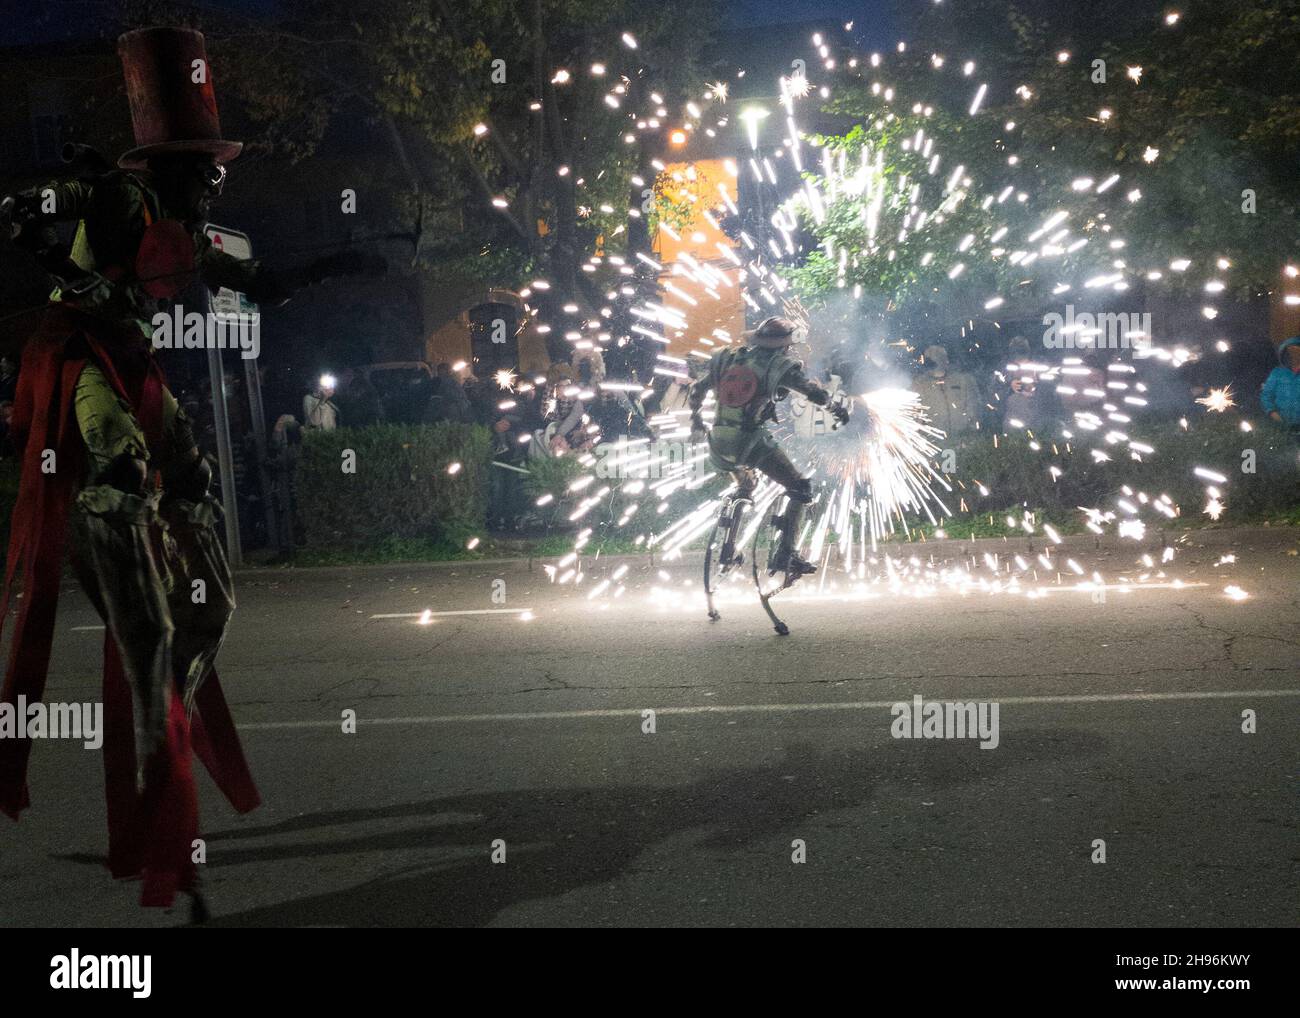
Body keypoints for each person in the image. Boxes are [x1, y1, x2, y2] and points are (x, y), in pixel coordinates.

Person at [0, 26, 382, 916]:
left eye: (216, 164)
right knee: (125, 464)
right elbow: (33, 210)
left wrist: (341, 262)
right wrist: (47, 218)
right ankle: (135, 609)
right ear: (165, 163)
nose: (216, 177)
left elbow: (261, 286)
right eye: (202, 163)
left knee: (195, 477)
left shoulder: (181, 226)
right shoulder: (119, 200)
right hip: (84, 362)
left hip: (129, 360)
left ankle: (172, 665)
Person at [688, 316, 848, 576]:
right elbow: (813, 393)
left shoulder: (730, 358)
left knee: (746, 484)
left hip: (718, 441)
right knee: (800, 487)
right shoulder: (779, 365)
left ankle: (727, 550)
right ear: (784, 346)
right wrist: (835, 408)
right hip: (750, 442)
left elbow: (696, 389)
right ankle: (785, 555)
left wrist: (696, 422)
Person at [912, 344, 982, 439]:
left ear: (946, 359)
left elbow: (973, 408)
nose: (937, 360)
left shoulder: (963, 380)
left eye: (940, 356)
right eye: (933, 357)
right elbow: (916, 416)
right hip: (934, 441)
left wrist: (971, 435)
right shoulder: (919, 385)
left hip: (962, 439)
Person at [1261, 336, 1300, 429]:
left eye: (1296, 349)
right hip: (1280, 426)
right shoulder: (1277, 373)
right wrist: (1272, 412)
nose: (1293, 353)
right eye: (1290, 350)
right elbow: (1266, 395)